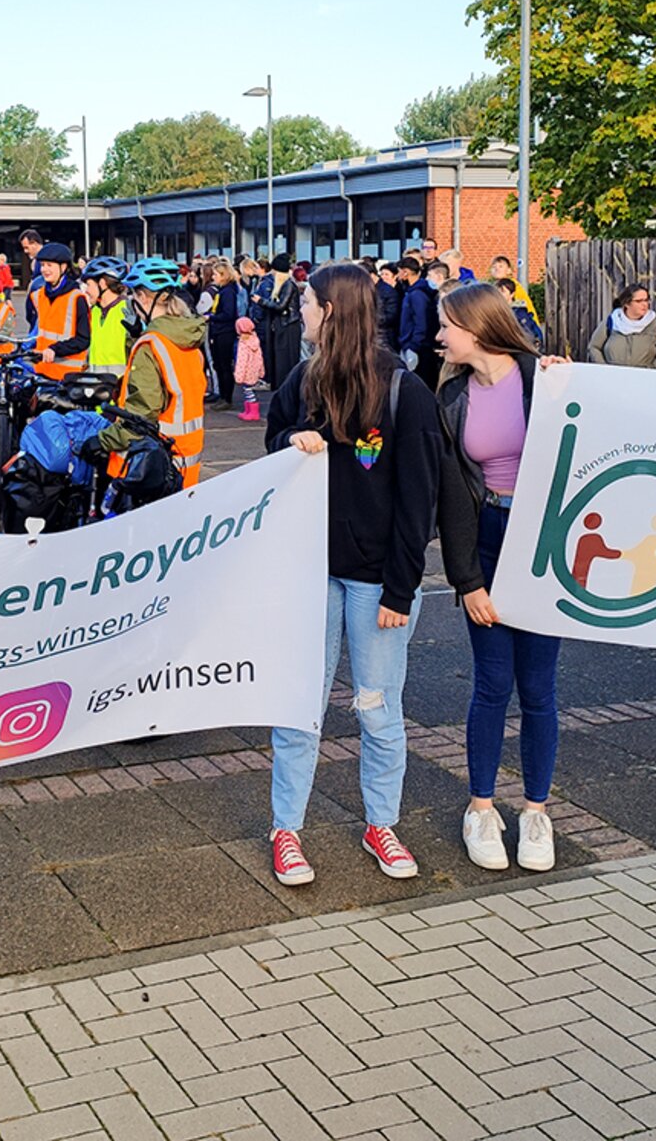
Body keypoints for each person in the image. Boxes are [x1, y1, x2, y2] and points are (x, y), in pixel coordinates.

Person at [263, 264, 440, 889]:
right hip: (310, 574)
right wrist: (292, 438)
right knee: (298, 708)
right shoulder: (303, 378)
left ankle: (381, 824)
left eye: (308, 302)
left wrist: (401, 589)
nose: (300, 311)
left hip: (376, 584)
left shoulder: (403, 391)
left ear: (331, 310)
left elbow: (420, 500)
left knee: (378, 709)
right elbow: (272, 439)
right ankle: (286, 830)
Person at [432, 281, 565, 873]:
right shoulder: (451, 396)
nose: (439, 335)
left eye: (447, 325)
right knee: (491, 683)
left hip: (542, 542)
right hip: (486, 535)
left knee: (538, 687)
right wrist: (467, 581)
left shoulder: (546, 380)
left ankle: (536, 811)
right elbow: (452, 496)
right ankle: (481, 808)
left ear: (477, 328)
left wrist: (574, 384)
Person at [93, 257, 207, 488]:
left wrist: (102, 442)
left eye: (134, 297)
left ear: (144, 298)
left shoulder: (151, 346)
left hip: (152, 463)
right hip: (184, 459)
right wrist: (136, 336)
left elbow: (141, 416)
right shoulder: (186, 339)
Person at [28, 242, 87, 379]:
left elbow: (83, 340)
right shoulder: (38, 295)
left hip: (66, 376)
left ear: (63, 267)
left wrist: (55, 349)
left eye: (49, 265)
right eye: (42, 265)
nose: (44, 269)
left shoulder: (76, 298)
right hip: (42, 371)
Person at [586, 283, 656, 368]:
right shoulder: (612, 322)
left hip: (643, 376)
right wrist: (605, 368)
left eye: (646, 300)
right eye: (639, 301)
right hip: (613, 375)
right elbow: (594, 347)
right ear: (627, 303)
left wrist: (653, 368)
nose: (644, 304)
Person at [250, 254, 302, 394]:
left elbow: (281, 306)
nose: (272, 273)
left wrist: (261, 301)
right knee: (280, 358)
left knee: (285, 359)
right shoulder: (284, 285)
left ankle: (286, 387)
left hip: (288, 325)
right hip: (283, 324)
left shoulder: (288, 285)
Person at [79, 256, 133, 378]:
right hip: (96, 386)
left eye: (89, 285)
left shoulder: (129, 310)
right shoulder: (94, 312)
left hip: (121, 386)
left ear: (102, 283)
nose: (86, 291)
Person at [395, 257, 442, 390]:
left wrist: (413, 346)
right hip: (412, 344)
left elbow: (421, 322)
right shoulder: (411, 292)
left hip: (417, 347)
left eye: (399, 271)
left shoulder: (417, 295)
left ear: (405, 272)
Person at [204, 259, 244, 410]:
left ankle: (226, 398)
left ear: (223, 275)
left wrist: (211, 317)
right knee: (219, 365)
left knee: (224, 365)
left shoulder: (228, 292)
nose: (213, 277)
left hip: (224, 332)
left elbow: (228, 313)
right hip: (219, 331)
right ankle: (222, 396)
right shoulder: (223, 290)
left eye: (215, 274)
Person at [233, 315, 265, 421]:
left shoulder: (243, 343)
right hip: (254, 370)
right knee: (249, 390)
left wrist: (238, 375)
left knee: (248, 391)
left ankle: (253, 412)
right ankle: (249, 411)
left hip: (246, 372)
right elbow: (260, 358)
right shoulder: (255, 339)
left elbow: (242, 361)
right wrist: (261, 371)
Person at [495, 277, 543, 348]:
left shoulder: (519, 313)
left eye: (503, 291)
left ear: (512, 294)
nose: (499, 294)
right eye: (497, 291)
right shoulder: (496, 311)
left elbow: (529, 336)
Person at [373, 261, 402, 350]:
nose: (383, 277)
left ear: (395, 276)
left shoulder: (398, 291)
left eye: (386, 274)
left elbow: (391, 315)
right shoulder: (378, 290)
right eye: (382, 274)